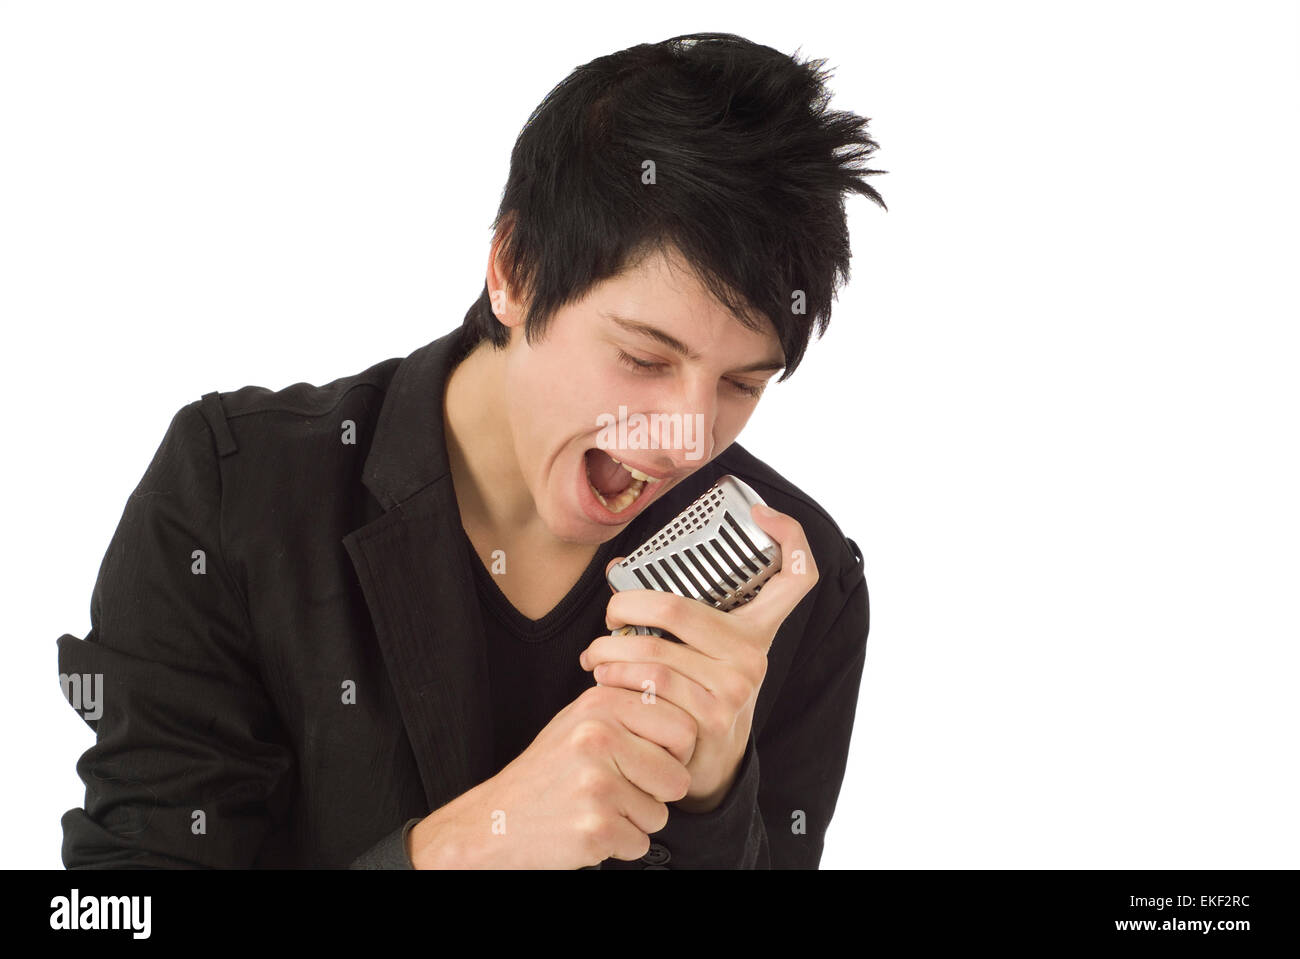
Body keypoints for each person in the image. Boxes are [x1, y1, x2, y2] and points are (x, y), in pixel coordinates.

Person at [57, 31, 885, 869]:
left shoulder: (799, 591)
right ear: (514, 272)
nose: (689, 438)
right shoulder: (234, 496)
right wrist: (452, 851)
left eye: (741, 385)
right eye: (644, 358)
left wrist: (713, 801)